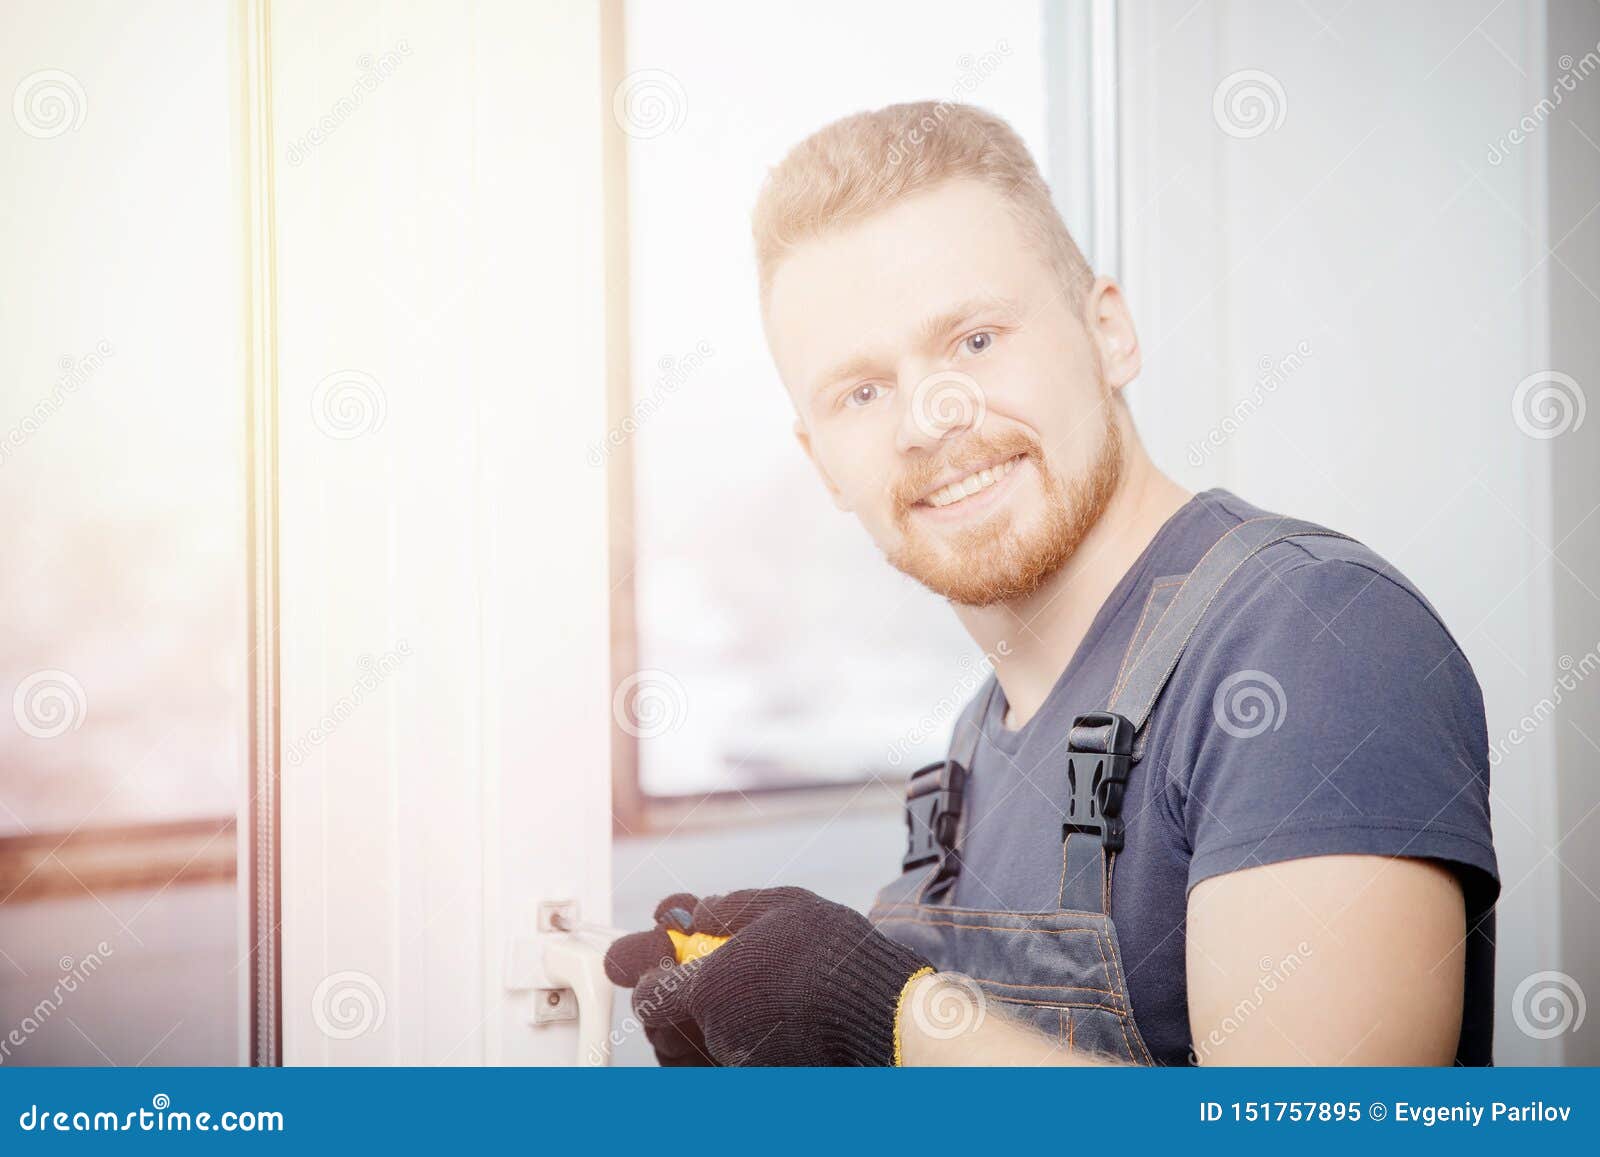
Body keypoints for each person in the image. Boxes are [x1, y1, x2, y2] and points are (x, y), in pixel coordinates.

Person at [605, 101, 1498, 1067]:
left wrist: (886, 1015)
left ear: (1108, 332)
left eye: (976, 339)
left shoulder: (1313, 639)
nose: (927, 419)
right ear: (822, 463)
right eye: (860, 392)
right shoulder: (973, 748)